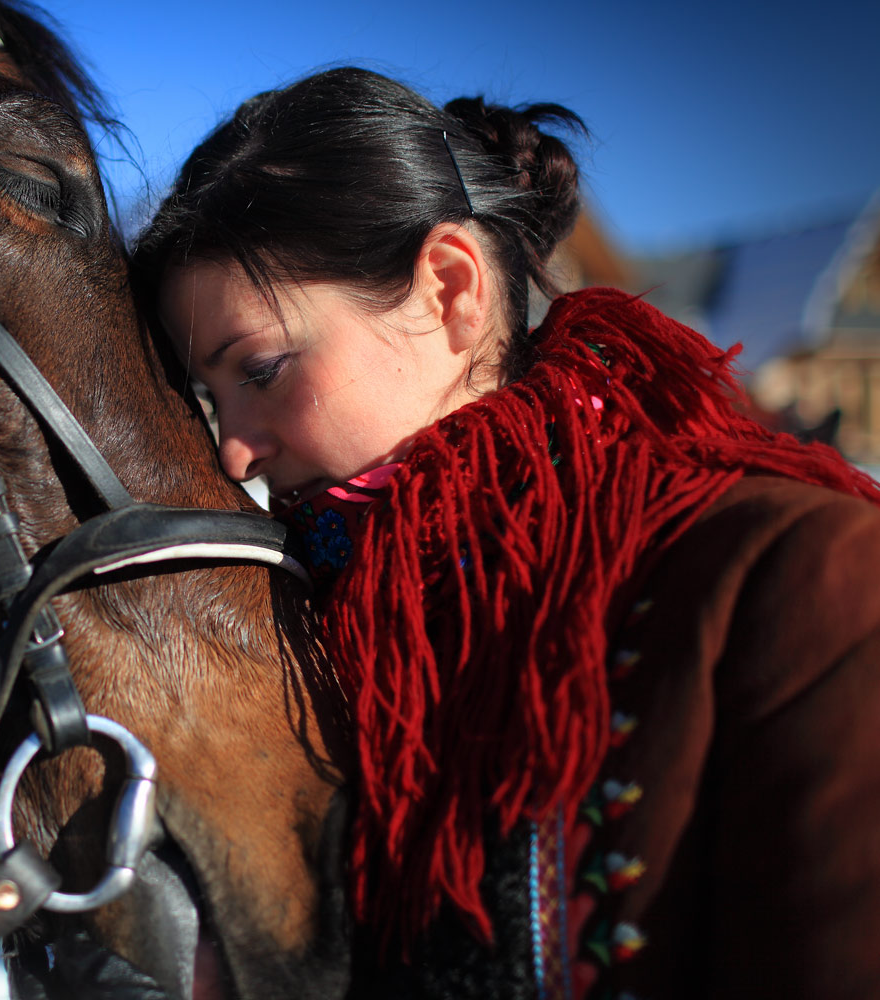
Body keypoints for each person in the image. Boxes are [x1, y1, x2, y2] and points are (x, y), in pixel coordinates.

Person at [131, 67, 880, 999]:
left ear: (451, 289)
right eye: (214, 397)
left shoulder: (797, 577)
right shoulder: (301, 637)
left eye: (265, 368)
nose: (237, 451)